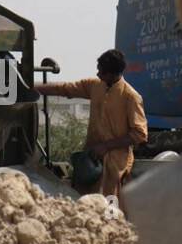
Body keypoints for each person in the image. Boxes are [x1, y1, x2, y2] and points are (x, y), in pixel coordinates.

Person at [36, 49, 148, 197]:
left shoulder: (130, 97)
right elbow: (65, 89)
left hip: (114, 163)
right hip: (90, 158)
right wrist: (31, 87)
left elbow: (140, 134)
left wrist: (106, 146)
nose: (98, 75)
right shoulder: (95, 86)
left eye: (102, 72)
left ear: (113, 74)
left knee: (109, 205)